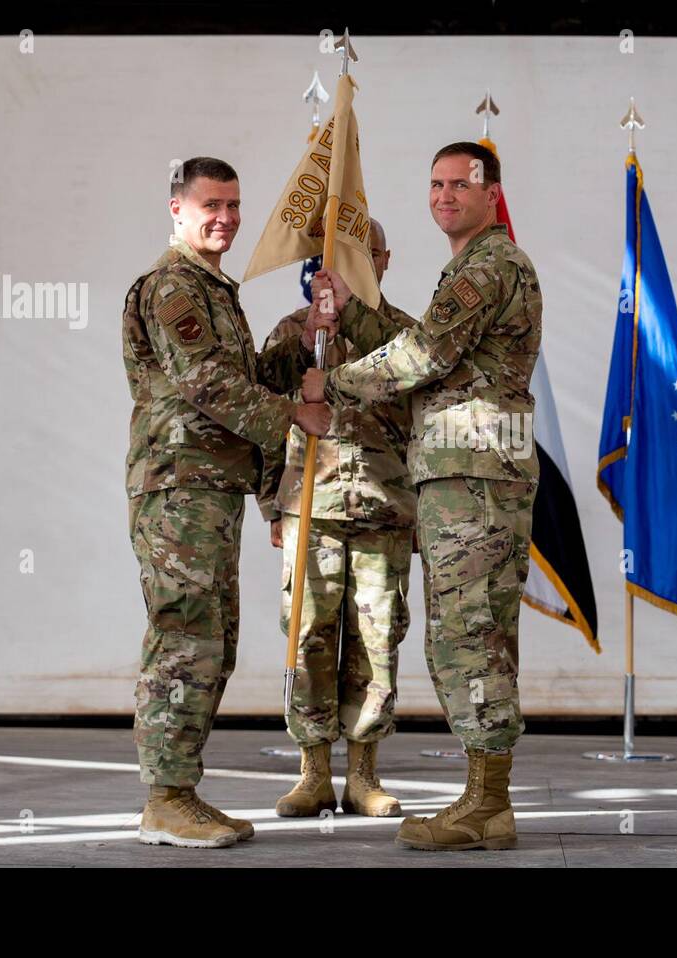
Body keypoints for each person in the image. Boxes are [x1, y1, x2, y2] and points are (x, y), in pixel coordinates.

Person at [302, 142, 541, 851]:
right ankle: (483, 798)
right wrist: (351, 309)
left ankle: (487, 805)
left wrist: (334, 384)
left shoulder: (492, 265)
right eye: (435, 184)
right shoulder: (471, 267)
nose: (444, 195)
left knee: (471, 637)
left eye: (459, 184)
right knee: (466, 636)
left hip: (475, 483)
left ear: (491, 193)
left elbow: (426, 357)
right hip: (463, 479)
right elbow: (430, 345)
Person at [122, 156, 331, 848]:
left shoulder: (216, 290)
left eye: (235, 204)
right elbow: (206, 383)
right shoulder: (172, 288)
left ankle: (182, 789)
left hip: (210, 492)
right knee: (185, 638)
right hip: (178, 488)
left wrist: (306, 334)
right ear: (177, 208)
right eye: (211, 204)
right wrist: (292, 418)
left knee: (214, 642)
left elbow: (243, 378)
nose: (226, 217)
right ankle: (164, 799)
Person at [253, 219, 416, 818]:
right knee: (308, 636)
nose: (348, 268)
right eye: (336, 257)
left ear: (384, 258)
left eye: (362, 255)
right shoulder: (293, 333)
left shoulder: (403, 336)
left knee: (377, 640)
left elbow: (424, 420)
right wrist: (273, 501)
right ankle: (313, 773)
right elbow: (267, 418)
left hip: (383, 510)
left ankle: (364, 776)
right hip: (310, 511)